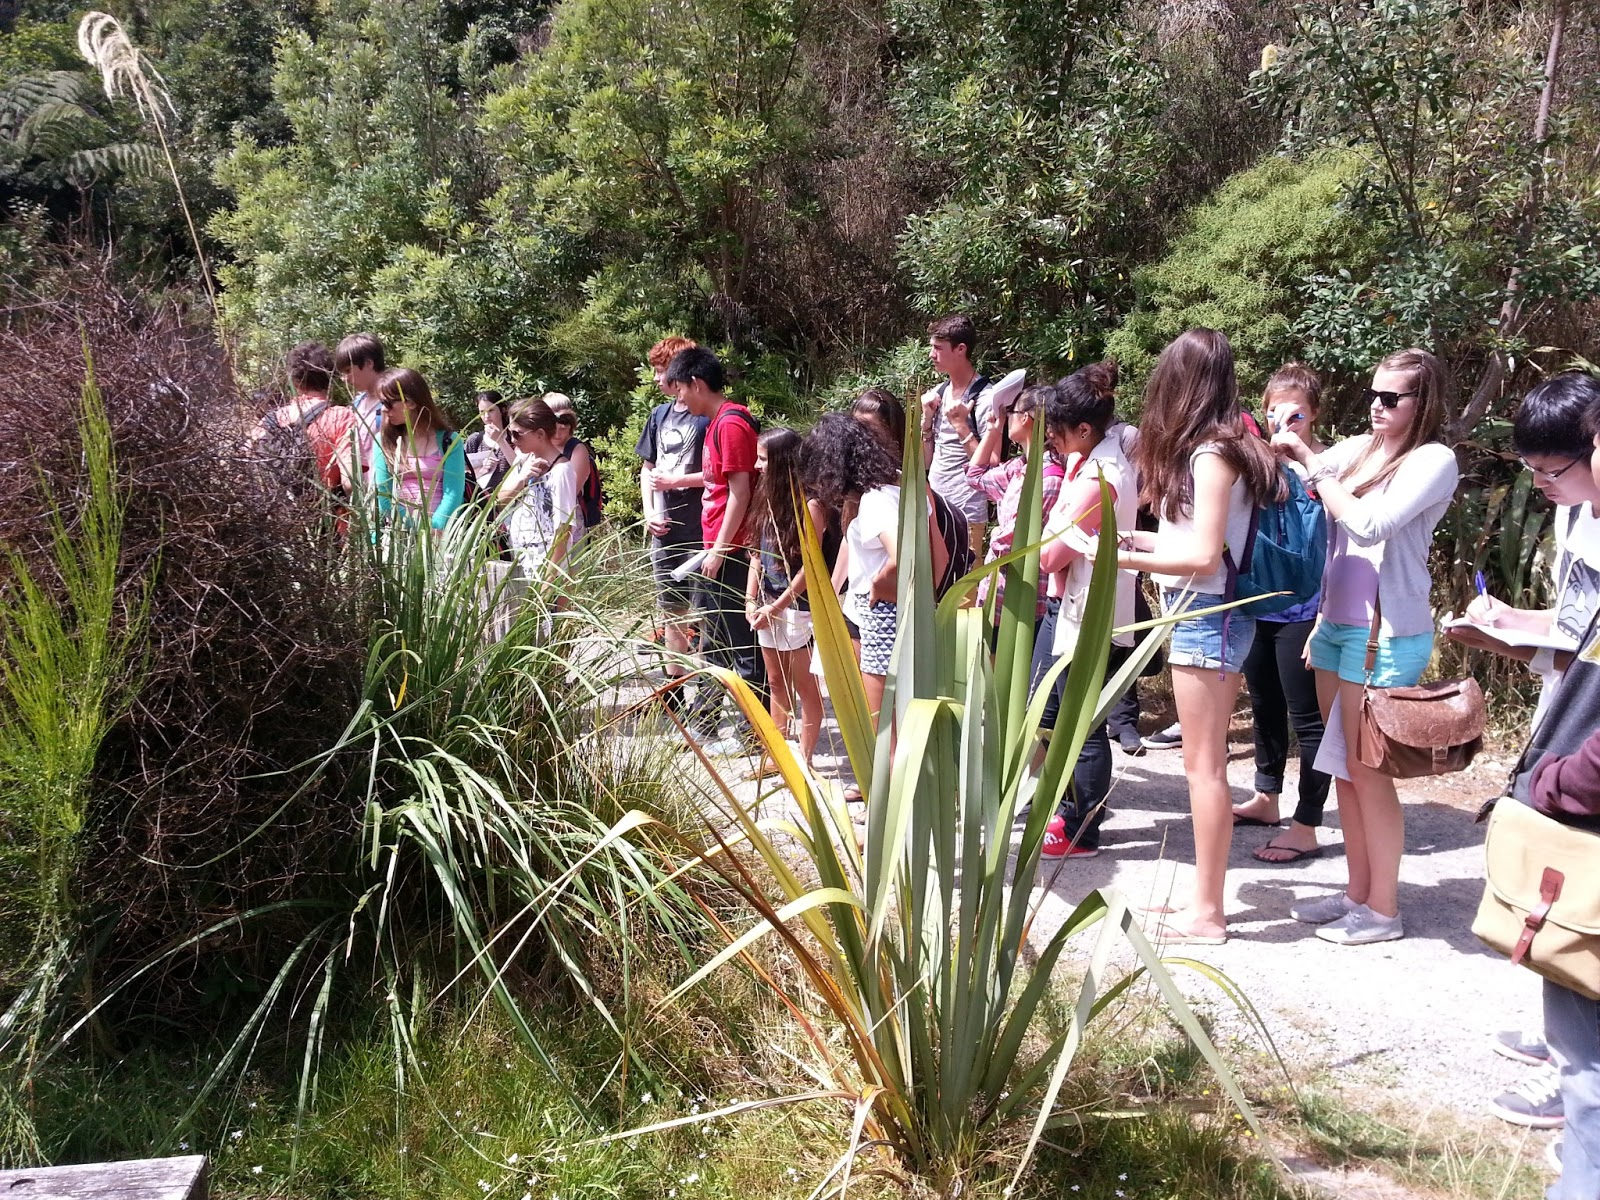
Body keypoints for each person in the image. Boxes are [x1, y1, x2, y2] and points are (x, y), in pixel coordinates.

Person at [1085, 329, 1281, 944]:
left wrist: (1126, 563)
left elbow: (1202, 558)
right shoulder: (1222, 447)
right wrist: (1139, 542)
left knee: (1205, 768)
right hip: (1207, 612)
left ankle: (1210, 913)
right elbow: (1200, 542)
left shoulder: (1210, 454)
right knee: (1206, 765)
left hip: (1209, 614)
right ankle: (1205, 900)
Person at [1448, 371, 1600, 1131]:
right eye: (1531, 472)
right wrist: (1509, 620)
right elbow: (1575, 628)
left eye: (1554, 470)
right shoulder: (1580, 514)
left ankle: (1576, 1085)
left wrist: (1562, 774)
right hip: (1570, 723)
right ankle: (1560, 1049)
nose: (1542, 486)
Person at [1275, 347, 1459, 946]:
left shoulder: (1434, 459)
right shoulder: (1360, 448)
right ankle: (1357, 892)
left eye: (1392, 398)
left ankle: (1383, 910)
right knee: (1343, 770)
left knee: (1368, 772)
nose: (1377, 406)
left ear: (1422, 402)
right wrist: (1291, 440)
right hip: (1336, 624)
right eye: (1373, 393)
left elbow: (1370, 523)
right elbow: (1304, 479)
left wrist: (1312, 463)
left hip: (1387, 635)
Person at [1031, 362, 1138, 858]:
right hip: (1067, 604)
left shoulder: (1101, 476)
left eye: (1056, 428)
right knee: (1051, 712)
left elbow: (1051, 554)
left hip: (1087, 614)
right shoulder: (1091, 458)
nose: (1049, 437)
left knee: (1082, 721)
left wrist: (1036, 545)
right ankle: (1066, 807)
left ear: (1084, 428)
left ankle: (1082, 828)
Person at [1233, 363, 1334, 864]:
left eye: (1295, 409)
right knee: (1265, 705)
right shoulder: (1260, 460)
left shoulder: (1327, 465)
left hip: (1306, 608)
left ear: (1313, 411)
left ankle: (1307, 823)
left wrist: (1302, 457)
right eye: (1275, 407)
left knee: (1308, 719)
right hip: (1259, 600)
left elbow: (1341, 539)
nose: (1284, 418)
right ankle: (1265, 797)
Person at [664, 347, 768, 749]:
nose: (679, 401)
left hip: (733, 553)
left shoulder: (731, 425)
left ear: (697, 384)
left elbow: (740, 493)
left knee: (740, 642)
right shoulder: (714, 425)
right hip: (715, 549)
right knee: (713, 639)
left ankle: (755, 734)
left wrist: (720, 550)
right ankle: (705, 724)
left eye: (680, 392)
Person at [803, 413, 904, 724]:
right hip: (900, 613)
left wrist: (879, 584)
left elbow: (901, 554)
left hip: (883, 616)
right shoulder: (896, 487)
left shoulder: (874, 501)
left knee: (881, 727)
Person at [635, 336, 709, 714]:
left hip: (701, 527)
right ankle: (675, 694)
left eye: (661, 371)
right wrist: (650, 510)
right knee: (671, 613)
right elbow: (648, 469)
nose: (657, 378)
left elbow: (719, 475)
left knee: (706, 614)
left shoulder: (705, 413)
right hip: (664, 528)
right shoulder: (658, 416)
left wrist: (677, 483)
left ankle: (710, 698)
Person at [745, 428, 825, 766]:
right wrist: (750, 601)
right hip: (765, 604)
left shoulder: (811, 505)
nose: (756, 465)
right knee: (776, 683)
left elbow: (811, 568)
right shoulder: (764, 497)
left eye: (763, 459)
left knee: (805, 689)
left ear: (781, 462)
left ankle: (803, 761)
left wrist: (776, 606)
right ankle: (775, 757)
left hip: (796, 609)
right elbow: (755, 555)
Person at [958, 380, 1065, 624]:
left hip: (1020, 601)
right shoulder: (1020, 468)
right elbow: (975, 477)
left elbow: (1012, 541)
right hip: (999, 593)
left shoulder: (1048, 478)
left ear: (1026, 418)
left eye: (1011, 412)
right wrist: (994, 430)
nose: (1006, 417)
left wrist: (993, 536)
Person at [919, 315, 992, 559]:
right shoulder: (939, 394)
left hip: (966, 515)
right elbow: (925, 463)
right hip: (936, 510)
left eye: (938, 348)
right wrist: (927, 422)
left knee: (963, 593)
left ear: (961, 349)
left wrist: (961, 425)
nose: (932, 355)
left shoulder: (985, 398)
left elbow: (991, 463)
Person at [253, 341, 360, 497]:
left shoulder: (269, 420)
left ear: (295, 382)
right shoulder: (341, 417)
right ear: (330, 378)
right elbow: (349, 481)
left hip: (277, 513)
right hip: (327, 514)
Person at [369, 367, 468, 531]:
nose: (384, 409)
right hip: (398, 533)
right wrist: (416, 528)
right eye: (381, 403)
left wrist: (434, 529)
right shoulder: (383, 441)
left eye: (388, 403)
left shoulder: (449, 441)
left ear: (411, 402)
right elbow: (384, 495)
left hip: (441, 535)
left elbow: (454, 494)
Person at [498, 396, 579, 579]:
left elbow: (563, 531)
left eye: (518, 434)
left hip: (545, 570)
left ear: (540, 434)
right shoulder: (524, 460)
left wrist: (547, 581)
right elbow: (500, 501)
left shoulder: (561, 471)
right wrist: (522, 478)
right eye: (510, 433)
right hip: (520, 562)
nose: (512, 440)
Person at [545, 393, 601, 539]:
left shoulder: (577, 450)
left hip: (569, 521)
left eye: (563, 426)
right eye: (552, 427)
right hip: (542, 520)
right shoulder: (539, 447)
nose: (557, 434)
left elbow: (570, 491)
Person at [334, 332, 387, 486]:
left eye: (348, 370)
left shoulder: (393, 401)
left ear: (369, 363)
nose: (345, 379)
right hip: (362, 493)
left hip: (387, 489)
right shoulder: (357, 403)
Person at [463, 390, 514, 504]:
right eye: (482, 412)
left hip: (511, 501)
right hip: (481, 503)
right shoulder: (475, 440)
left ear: (502, 410)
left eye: (491, 410)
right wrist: (482, 470)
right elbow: (463, 474)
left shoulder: (514, 437)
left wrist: (500, 441)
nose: (486, 416)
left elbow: (520, 467)